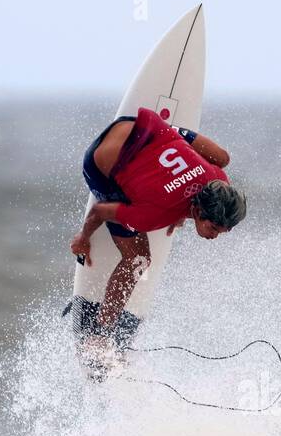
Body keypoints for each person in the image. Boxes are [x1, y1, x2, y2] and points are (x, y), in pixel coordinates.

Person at [70, 106, 247, 354]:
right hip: (99, 163)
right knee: (138, 258)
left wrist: (181, 211)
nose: (215, 236)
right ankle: (100, 334)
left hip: (137, 126)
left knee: (222, 156)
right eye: (214, 228)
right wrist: (83, 237)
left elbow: (184, 190)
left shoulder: (218, 178)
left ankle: (171, 132)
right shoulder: (152, 214)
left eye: (223, 231)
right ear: (198, 212)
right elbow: (101, 211)